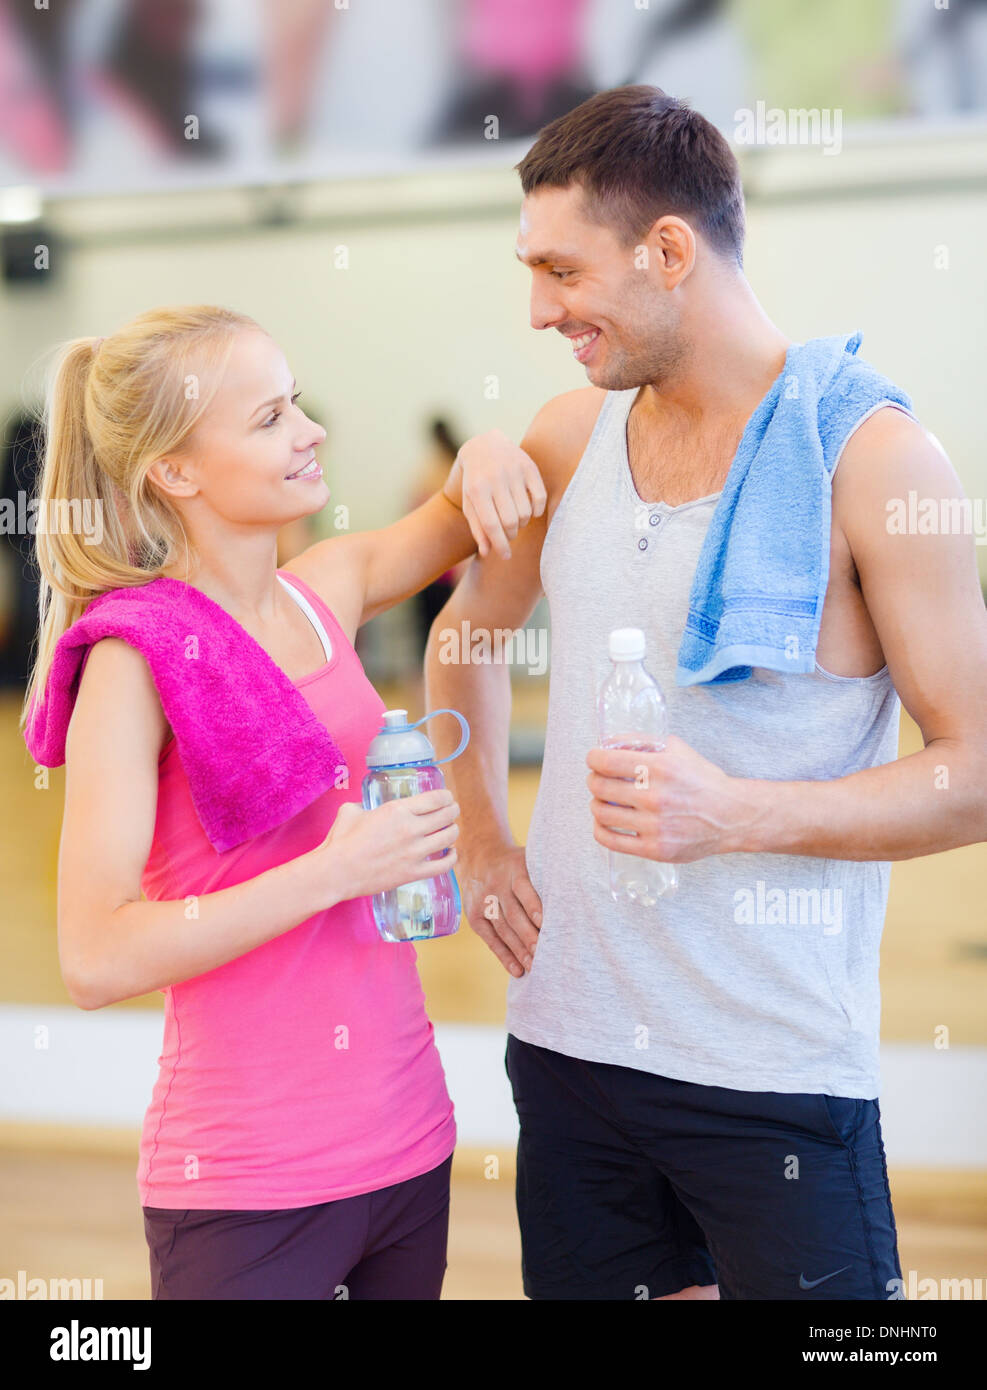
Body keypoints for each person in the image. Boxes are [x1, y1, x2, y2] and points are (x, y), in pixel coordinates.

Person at [424, 86, 987, 1301]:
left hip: (773, 1065)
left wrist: (740, 813)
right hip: (567, 1041)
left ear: (668, 249)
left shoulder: (879, 461)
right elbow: (466, 632)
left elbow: (976, 769)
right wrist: (479, 832)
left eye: (561, 271)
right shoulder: (570, 438)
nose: (539, 311)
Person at [20, 303, 546, 1300]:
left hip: (407, 1145)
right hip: (247, 1183)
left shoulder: (326, 590)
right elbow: (94, 956)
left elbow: (460, 509)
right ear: (175, 471)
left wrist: (480, 448)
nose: (310, 433)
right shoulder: (134, 665)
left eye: (296, 405)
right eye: (268, 419)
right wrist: (333, 872)